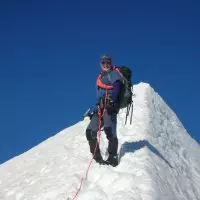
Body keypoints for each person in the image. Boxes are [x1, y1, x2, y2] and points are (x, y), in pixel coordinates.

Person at [85, 54, 123, 167]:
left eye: (108, 62)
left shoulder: (113, 73)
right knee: (90, 132)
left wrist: (113, 101)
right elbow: (100, 96)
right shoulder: (100, 77)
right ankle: (97, 157)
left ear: (111, 63)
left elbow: (117, 86)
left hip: (109, 106)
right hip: (99, 108)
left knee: (109, 129)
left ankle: (113, 156)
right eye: (103, 63)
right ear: (100, 64)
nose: (106, 64)